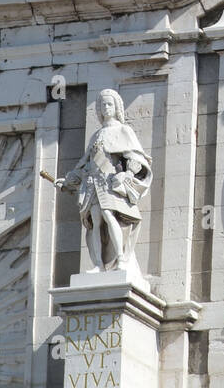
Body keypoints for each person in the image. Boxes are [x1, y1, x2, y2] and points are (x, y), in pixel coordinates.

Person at [58, 89, 153, 276]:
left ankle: (121, 258)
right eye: (102, 105)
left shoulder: (123, 131)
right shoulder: (96, 135)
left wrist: (126, 174)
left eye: (109, 104)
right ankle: (99, 264)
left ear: (116, 107)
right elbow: (84, 163)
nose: (106, 108)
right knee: (95, 222)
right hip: (93, 184)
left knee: (109, 216)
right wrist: (69, 180)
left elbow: (136, 160)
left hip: (110, 183)